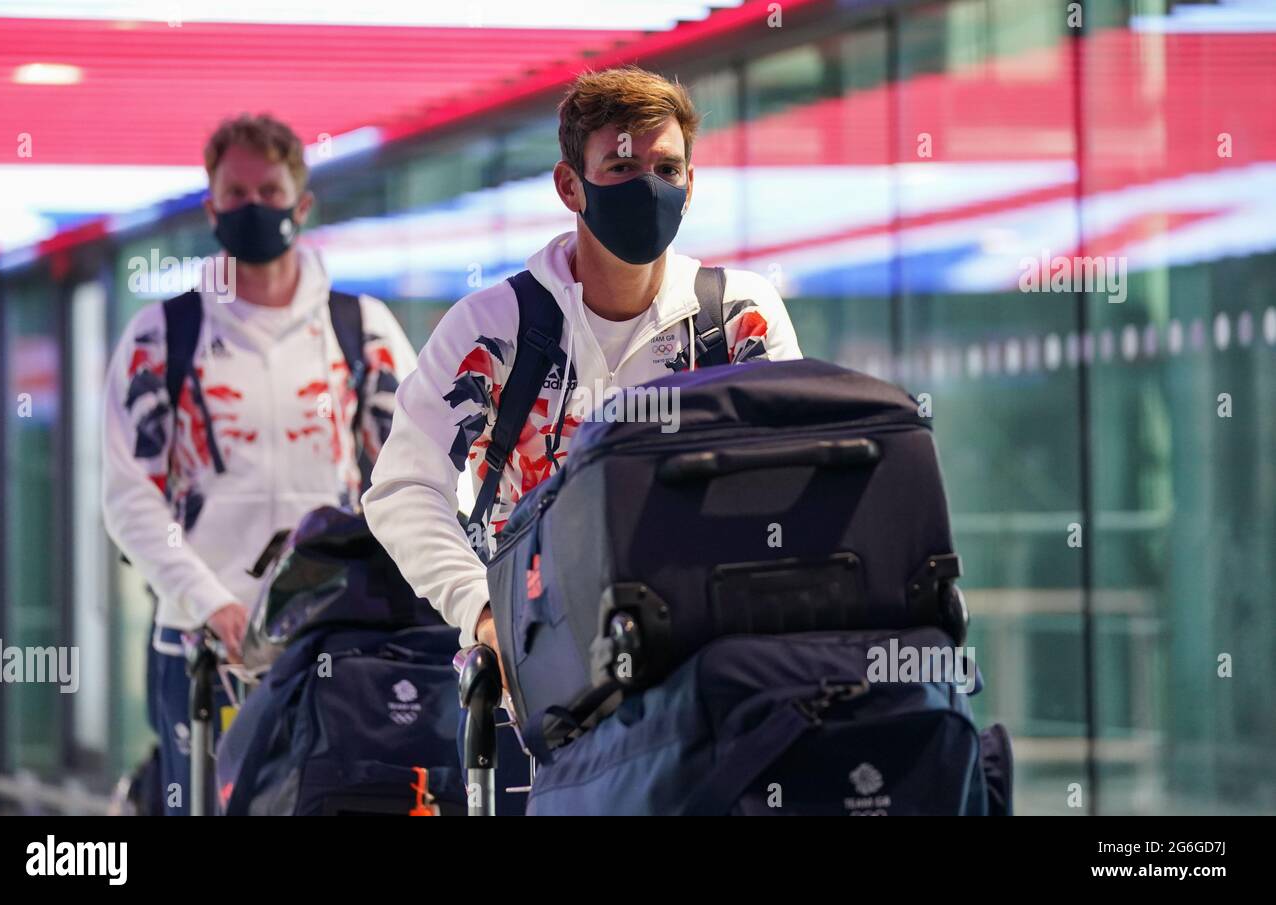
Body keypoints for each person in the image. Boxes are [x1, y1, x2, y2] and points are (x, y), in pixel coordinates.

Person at [363, 66, 802, 679]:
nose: (650, 187)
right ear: (570, 186)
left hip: (710, 668)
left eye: (667, 170)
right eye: (622, 168)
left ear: (691, 183)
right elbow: (403, 488)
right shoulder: (492, 328)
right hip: (544, 668)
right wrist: (485, 613)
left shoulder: (736, 317)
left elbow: (793, 473)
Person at [102, 114, 416, 814]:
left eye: (269, 190)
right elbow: (128, 498)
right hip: (195, 646)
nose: (253, 207)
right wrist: (210, 602)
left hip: (334, 639)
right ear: (211, 208)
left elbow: (414, 476)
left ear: (301, 204)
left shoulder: (362, 329)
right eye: (235, 193)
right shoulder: (161, 336)